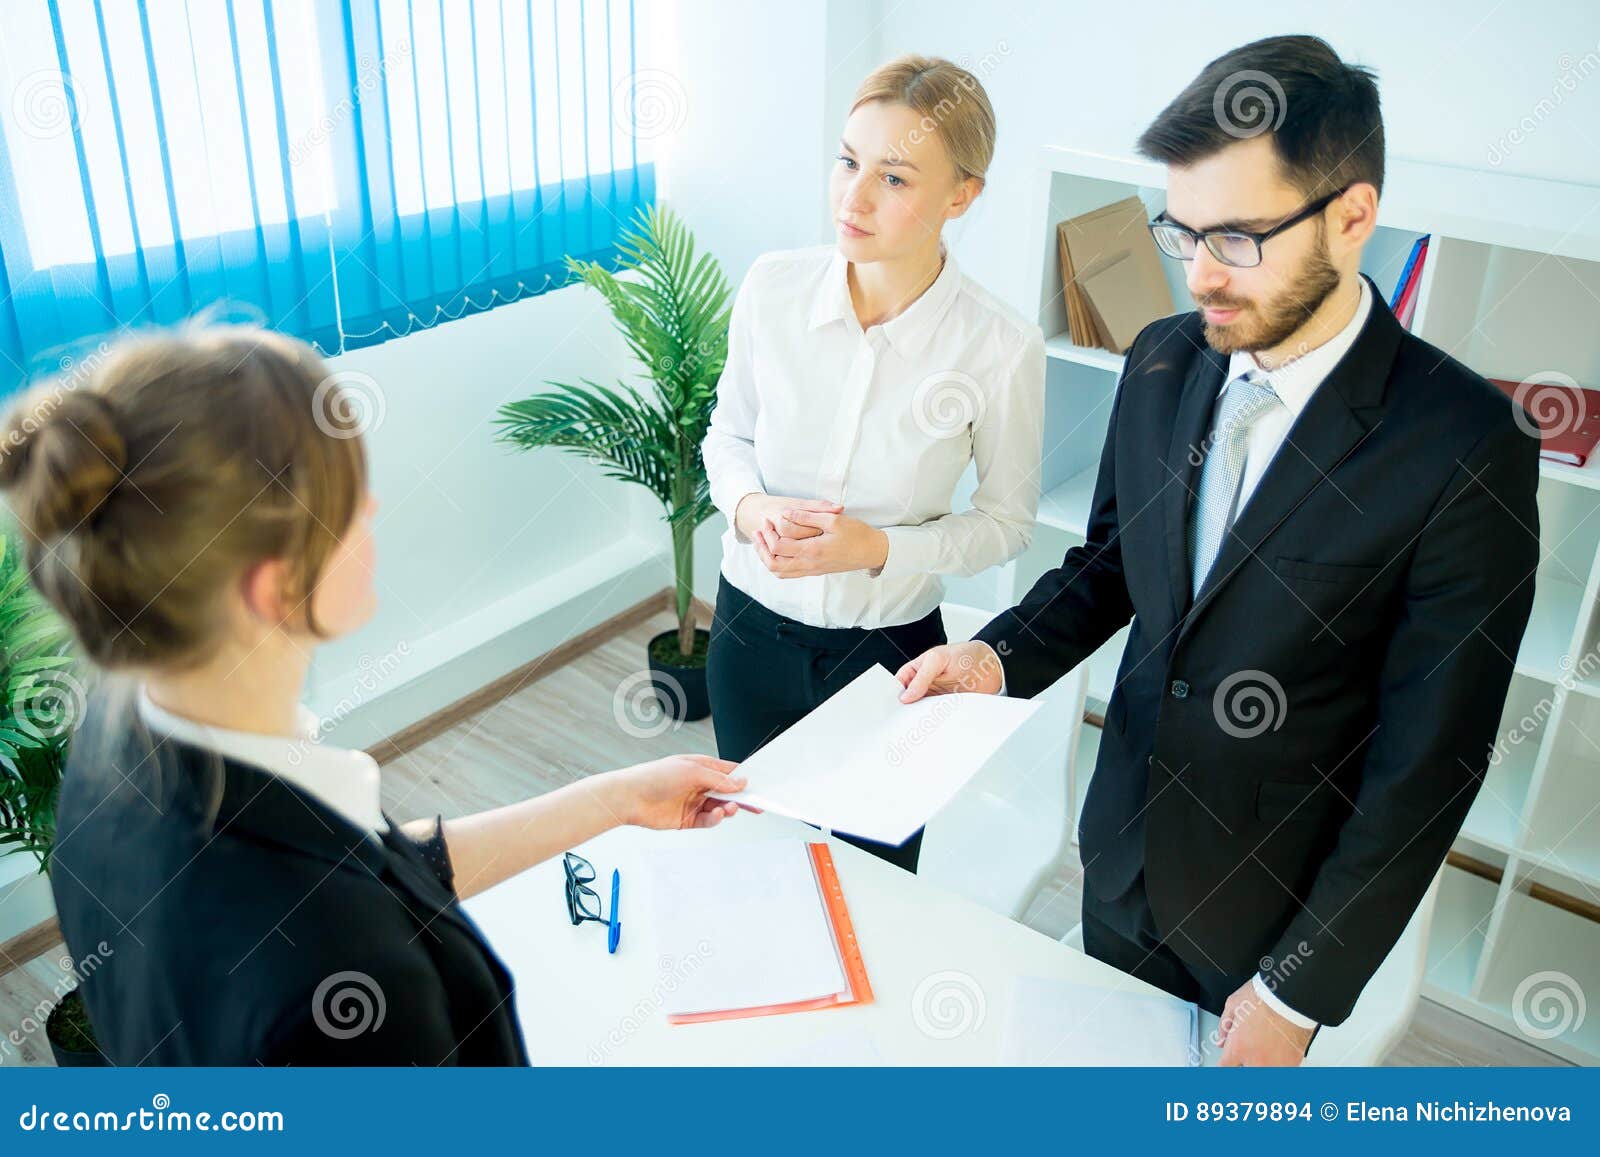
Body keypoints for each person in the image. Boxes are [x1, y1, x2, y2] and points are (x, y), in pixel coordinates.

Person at [896, 35, 1540, 1064]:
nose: (1197, 275)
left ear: (1352, 218)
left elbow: (1429, 764)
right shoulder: (1162, 357)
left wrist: (1295, 990)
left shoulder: (1466, 446)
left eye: (1235, 238)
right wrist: (996, 654)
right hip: (1120, 857)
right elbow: (1114, 564)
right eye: (1182, 232)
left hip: (1273, 917)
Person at [0, 327, 747, 1065]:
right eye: (351, 497)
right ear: (276, 585)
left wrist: (614, 799)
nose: (376, 508)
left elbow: (376, 865)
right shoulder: (335, 988)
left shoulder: (116, 739)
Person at [701, 55, 1045, 872]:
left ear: (961, 196)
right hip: (749, 638)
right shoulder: (772, 289)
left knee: (870, 886)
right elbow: (727, 436)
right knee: (758, 862)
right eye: (848, 161)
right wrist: (750, 508)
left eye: (892, 177)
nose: (852, 198)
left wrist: (881, 548)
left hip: (891, 663)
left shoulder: (1000, 346)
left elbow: (1006, 524)